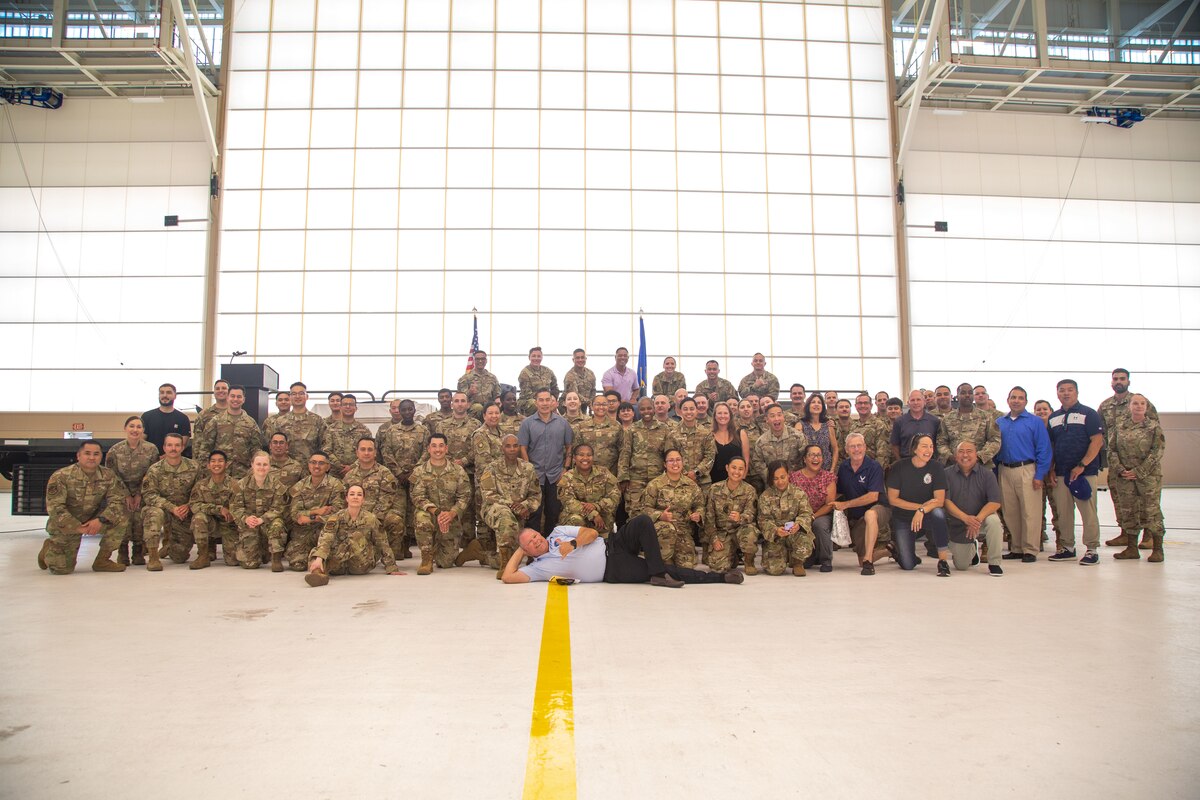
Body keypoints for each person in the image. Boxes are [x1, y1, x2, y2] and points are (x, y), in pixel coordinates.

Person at [501, 515, 743, 586]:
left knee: (643, 521)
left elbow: (592, 533)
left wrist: (572, 544)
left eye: (535, 535)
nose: (536, 541)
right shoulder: (538, 568)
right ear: (527, 551)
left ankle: (657, 574)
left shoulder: (558, 531)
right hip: (613, 569)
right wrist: (519, 552)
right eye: (530, 543)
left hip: (612, 544)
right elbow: (508, 577)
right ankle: (721, 577)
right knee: (669, 569)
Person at [37, 441, 127, 575]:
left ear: (101, 457)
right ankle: (48, 549)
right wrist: (77, 527)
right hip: (66, 524)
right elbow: (55, 508)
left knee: (121, 518)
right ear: (78, 456)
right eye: (87, 453)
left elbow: (117, 501)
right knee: (62, 570)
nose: (92, 457)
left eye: (96, 454)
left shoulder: (108, 475)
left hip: (93, 520)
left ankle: (102, 561)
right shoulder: (61, 476)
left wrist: (101, 520)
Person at [1098, 369, 1160, 551]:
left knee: (1146, 500)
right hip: (1118, 463)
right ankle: (1126, 533)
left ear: (1128, 381)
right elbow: (1102, 433)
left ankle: (1148, 535)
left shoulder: (1139, 401)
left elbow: (1154, 430)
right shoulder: (1105, 406)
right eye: (1115, 379)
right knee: (1120, 499)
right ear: (1111, 382)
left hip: (1142, 464)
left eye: (1122, 379)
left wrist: (1142, 468)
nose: (1119, 381)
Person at [1046, 379, 1105, 565]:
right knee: (1063, 513)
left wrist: (1082, 464)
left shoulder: (1089, 414)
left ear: (1077, 392)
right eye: (1062, 390)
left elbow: (1097, 441)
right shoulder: (1053, 418)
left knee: (1088, 512)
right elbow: (1052, 445)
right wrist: (1051, 469)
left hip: (1084, 473)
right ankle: (1067, 548)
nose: (1066, 393)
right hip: (1061, 473)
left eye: (1070, 390)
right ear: (1057, 394)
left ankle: (1092, 549)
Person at [304, 485, 405, 587]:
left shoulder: (370, 519)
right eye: (352, 494)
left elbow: (382, 543)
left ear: (363, 500)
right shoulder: (336, 517)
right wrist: (319, 558)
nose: (355, 497)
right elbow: (326, 538)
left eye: (359, 495)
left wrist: (391, 567)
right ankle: (318, 574)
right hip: (339, 566)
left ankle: (326, 568)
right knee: (316, 551)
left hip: (361, 564)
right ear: (347, 498)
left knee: (356, 537)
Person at [995, 386, 1052, 563]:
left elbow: (1044, 449)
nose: (1016, 401)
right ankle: (1017, 547)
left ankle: (1030, 549)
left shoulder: (1035, 422)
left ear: (1026, 401)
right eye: (1013, 397)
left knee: (1030, 511)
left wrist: (1039, 475)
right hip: (1004, 470)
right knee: (1010, 512)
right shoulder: (1000, 422)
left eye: (1020, 398)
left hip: (1027, 469)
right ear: (1008, 400)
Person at [474, 434, 542, 578]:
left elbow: (536, 495)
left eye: (515, 446)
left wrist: (524, 506)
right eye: (508, 446)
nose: (512, 449)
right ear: (502, 448)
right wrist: (512, 506)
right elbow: (488, 495)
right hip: (493, 509)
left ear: (519, 448)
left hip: (519, 513)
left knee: (516, 553)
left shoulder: (528, 468)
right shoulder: (492, 468)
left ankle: (481, 555)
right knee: (505, 516)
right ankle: (505, 565)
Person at [1108, 394, 1166, 562]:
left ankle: (1158, 549)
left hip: (1148, 478)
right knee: (1128, 510)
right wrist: (1120, 469)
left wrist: (1139, 471)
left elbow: (1157, 452)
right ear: (1129, 406)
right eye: (1135, 403)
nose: (1139, 406)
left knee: (1151, 511)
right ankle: (1132, 548)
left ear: (1146, 407)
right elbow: (1111, 450)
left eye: (1142, 403)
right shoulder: (1120, 427)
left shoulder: (1153, 427)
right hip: (1124, 477)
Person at [886, 433, 951, 575]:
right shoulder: (899, 467)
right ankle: (900, 551)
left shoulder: (936, 467)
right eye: (924, 446)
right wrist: (920, 507)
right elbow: (893, 499)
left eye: (931, 446)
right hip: (904, 517)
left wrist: (922, 511)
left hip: (927, 514)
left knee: (938, 514)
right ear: (914, 449)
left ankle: (943, 562)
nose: (929, 450)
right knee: (908, 565)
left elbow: (939, 500)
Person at [410, 433, 473, 574]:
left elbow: (465, 496)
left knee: (445, 563)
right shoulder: (419, 471)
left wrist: (451, 513)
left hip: (450, 519)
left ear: (446, 448)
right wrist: (437, 512)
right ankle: (426, 559)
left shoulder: (458, 471)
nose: (437, 450)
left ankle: (457, 551)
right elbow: (417, 497)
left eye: (441, 446)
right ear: (428, 449)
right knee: (421, 516)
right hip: (430, 515)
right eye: (434, 446)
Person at [105, 415, 160, 565]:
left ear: (143, 430)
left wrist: (140, 494)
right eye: (132, 426)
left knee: (139, 520)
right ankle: (122, 552)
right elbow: (112, 475)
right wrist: (127, 495)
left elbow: (152, 474)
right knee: (124, 520)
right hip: (121, 493)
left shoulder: (151, 449)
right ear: (125, 428)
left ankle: (138, 552)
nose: (135, 430)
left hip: (143, 492)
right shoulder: (114, 450)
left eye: (138, 427)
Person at [518, 388, 575, 534]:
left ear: (552, 402)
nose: (544, 403)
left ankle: (550, 544)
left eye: (547, 400)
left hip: (556, 476)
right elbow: (523, 448)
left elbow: (569, 447)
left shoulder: (563, 423)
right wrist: (529, 470)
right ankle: (534, 545)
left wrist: (565, 469)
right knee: (534, 513)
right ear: (536, 402)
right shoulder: (527, 423)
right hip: (535, 476)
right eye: (541, 400)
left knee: (553, 513)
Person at [141, 432, 200, 569]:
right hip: (163, 510)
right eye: (170, 445)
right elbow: (149, 494)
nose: (173, 448)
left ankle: (169, 546)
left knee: (180, 557)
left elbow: (200, 491)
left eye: (177, 445)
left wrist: (189, 505)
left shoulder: (194, 467)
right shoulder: (155, 469)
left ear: (182, 447)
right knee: (154, 514)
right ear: (164, 447)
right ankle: (153, 557)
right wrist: (171, 508)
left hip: (183, 513)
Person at [834, 432, 891, 576]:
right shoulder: (843, 468)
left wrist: (846, 504)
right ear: (846, 450)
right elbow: (839, 492)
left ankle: (868, 562)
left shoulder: (874, 466)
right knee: (859, 560)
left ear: (865, 447)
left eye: (859, 445)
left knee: (870, 514)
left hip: (879, 509)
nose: (856, 449)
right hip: (857, 516)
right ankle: (889, 551)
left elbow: (873, 496)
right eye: (852, 446)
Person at [944, 441, 1004, 576]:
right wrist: (965, 518)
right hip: (958, 522)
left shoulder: (987, 475)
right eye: (961, 452)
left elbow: (995, 502)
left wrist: (977, 520)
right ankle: (972, 548)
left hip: (980, 520)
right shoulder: (946, 474)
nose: (965, 455)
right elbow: (946, 502)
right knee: (961, 566)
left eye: (969, 451)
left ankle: (994, 563)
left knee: (994, 521)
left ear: (976, 455)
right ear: (955, 456)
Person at [379, 398, 430, 556]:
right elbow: (386, 453)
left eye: (410, 409)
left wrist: (413, 472)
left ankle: (411, 544)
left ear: (414, 410)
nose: (407, 412)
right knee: (398, 511)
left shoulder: (423, 431)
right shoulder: (391, 431)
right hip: (397, 480)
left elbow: (426, 452)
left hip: (417, 478)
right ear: (399, 412)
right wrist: (399, 473)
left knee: (415, 511)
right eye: (404, 410)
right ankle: (398, 546)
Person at [343, 437, 406, 562]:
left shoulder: (385, 473)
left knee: (395, 520)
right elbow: (344, 500)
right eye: (363, 449)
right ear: (357, 452)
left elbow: (386, 500)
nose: (366, 453)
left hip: (378, 516)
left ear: (375, 452)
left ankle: (391, 555)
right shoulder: (349, 476)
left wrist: (370, 518)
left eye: (370, 450)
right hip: (355, 516)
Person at [640, 448, 704, 568]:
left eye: (678, 460)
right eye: (671, 460)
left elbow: (699, 505)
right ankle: (660, 560)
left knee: (686, 567)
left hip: (682, 530)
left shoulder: (691, 485)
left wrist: (698, 515)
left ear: (682, 462)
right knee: (665, 565)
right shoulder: (655, 484)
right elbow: (644, 509)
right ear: (665, 464)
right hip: (661, 530)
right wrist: (660, 515)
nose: (675, 463)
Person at [617, 393, 678, 515]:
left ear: (654, 409)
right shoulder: (632, 429)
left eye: (649, 408)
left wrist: (671, 476)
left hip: (658, 477)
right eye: (642, 409)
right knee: (635, 513)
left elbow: (669, 453)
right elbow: (625, 453)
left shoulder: (664, 429)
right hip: (635, 479)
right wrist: (623, 477)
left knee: (657, 512)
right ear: (638, 410)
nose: (646, 411)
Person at [285, 450, 346, 571]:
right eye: (313, 462)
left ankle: (317, 565)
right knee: (297, 565)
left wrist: (311, 518)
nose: (316, 466)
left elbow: (338, 512)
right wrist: (316, 512)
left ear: (328, 467)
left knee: (335, 563)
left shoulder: (336, 485)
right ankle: (313, 560)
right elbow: (295, 514)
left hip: (326, 531)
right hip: (303, 532)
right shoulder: (299, 486)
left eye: (321, 463)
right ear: (308, 465)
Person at [230, 451, 289, 571]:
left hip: (268, 522)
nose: (262, 467)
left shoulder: (277, 485)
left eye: (265, 464)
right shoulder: (241, 485)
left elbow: (279, 507)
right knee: (250, 564)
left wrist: (262, 519)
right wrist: (246, 518)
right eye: (258, 464)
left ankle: (276, 559)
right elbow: (235, 508)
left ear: (270, 466)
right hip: (250, 523)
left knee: (277, 524)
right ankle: (261, 551)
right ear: (252, 465)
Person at [757, 461, 815, 576]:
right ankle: (783, 555)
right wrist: (776, 530)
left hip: (795, 533)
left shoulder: (799, 493)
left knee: (805, 541)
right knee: (775, 570)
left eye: (783, 477)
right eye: (776, 478)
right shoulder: (765, 496)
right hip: (776, 536)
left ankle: (797, 563)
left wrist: (798, 524)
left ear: (788, 475)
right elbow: (763, 520)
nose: (780, 482)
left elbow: (806, 513)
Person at [193, 385, 264, 478]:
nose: (235, 399)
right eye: (232, 396)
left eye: (239, 397)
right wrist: (206, 472)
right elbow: (205, 449)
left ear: (243, 399)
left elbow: (256, 450)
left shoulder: (251, 423)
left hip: (243, 475)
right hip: (220, 474)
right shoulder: (215, 421)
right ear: (227, 398)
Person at [703, 455, 759, 573]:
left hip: (741, 530)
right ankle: (732, 557)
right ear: (727, 468)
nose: (737, 472)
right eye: (734, 468)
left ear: (744, 471)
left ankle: (749, 561)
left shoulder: (749, 490)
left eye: (740, 469)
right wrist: (714, 539)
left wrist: (740, 518)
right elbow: (709, 518)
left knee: (750, 532)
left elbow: (751, 514)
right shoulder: (714, 489)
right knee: (717, 568)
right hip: (722, 533)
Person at [187, 450, 240, 569]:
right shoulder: (201, 485)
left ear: (226, 464)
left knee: (233, 561)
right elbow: (194, 505)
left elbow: (240, 506)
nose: (216, 464)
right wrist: (218, 509)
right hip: (210, 524)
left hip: (228, 525)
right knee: (198, 518)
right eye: (213, 461)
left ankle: (214, 546)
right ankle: (203, 555)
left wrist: (233, 513)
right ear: (208, 465)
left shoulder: (235, 485)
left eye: (220, 461)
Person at [790, 444, 837, 572]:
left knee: (819, 525)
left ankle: (826, 560)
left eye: (819, 455)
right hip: (799, 516)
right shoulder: (793, 477)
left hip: (821, 515)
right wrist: (802, 519)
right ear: (804, 459)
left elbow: (829, 504)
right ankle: (807, 555)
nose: (816, 458)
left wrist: (812, 516)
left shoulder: (828, 478)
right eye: (812, 455)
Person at [557, 443, 620, 537]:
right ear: (574, 458)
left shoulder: (604, 473)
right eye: (581, 455)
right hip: (577, 517)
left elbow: (615, 496)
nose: (585, 458)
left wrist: (596, 506)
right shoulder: (567, 477)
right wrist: (592, 513)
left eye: (589, 455)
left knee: (605, 542)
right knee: (576, 519)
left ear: (593, 457)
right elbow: (568, 502)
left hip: (601, 517)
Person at [470, 404, 505, 563]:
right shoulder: (480, 434)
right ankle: (483, 553)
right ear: (484, 416)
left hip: (501, 484)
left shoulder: (502, 433)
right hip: (486, 484)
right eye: (490, 413)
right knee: (484, 519)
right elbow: (484, 463)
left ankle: (494, 553)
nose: (494, 416)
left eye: (496, 413)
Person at [936, 383, 1001, 468]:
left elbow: (995, 440)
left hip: (981, 467)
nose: (967, 395)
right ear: (957, 396)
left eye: (970, 393)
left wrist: (979, 457)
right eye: (963, 393)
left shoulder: (986, 417)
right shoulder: (947, 418)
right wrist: (950, 456)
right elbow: (941, 442)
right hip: (954, 467)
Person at [1033, 399, 1061, 552]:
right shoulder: (1033, 429)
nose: (1041, 412)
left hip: (1054, 473)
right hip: (1037, 473)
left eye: (1045, 409)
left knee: (1057, 507)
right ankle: (1038, 538)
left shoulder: (1056, 429)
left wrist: (1052, 469)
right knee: (1037, 507)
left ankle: (1061, 540)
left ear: (1051, 411)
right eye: (1038, 409)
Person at [276, 382, 327, 463]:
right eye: (294, 394)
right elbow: (274, 447)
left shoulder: (317, 420)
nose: (297, 396)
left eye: (301, 393)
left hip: (312, 467)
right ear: (290, 397)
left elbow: (325, 445)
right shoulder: (280, 421)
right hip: (287, 467)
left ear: (307, 396)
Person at [321, 393, 370, 477]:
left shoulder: (364, 430)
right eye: (345, 404)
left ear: (356, 408)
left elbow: (368, 452)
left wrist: (352, 467)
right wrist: (339, 465)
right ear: (340, 407)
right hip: (335, 474)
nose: (348, 407)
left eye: (351, 404)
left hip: (358, 473)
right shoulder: (331, 429)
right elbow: (326, 450)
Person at [753, 404, 803, 485]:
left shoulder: (798, 436)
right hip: (772, 485)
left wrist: (794, 477)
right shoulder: (761, 441)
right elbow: (758, 463)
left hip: (795, 483)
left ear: (783, 417)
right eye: (772, 416)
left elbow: (804, 458)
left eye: (779, 415)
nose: (776, 419)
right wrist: (772, 478)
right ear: (767, 420)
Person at [673, 397, 716, 492]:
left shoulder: (706, 432)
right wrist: (685, 474)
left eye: (692, 409)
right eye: (685, 409)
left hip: (703, 482)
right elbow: (671, 457)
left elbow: (710, 456)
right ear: (680, 411)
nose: (689, 412)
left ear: (696, 411)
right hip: (679, 481)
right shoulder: (673, 434)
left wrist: (696, 472)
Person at [890, 389, 940, 464]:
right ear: (908, 403)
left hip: (929, 462)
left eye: (918, 400)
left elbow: (938, 444)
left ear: (924, 402)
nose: (916, 403)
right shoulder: (899, 422)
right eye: (912, 400)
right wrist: (900, 462)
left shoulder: (934, 421)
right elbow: (894, 445)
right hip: (906, 462)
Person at [575, 393, 621, 474]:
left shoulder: (616, 426)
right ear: (592, 406)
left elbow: (623, 451)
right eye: (597, 404)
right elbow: (576, 451)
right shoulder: (581, 426)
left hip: (611, 473)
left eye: (604, 404)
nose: (601, 407)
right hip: (587, 473)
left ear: (608, 406)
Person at [142, 382, 191, 454]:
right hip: (149, 458)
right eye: (162, 393)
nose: (165, 395)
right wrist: (154, 457)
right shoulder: (146, 416)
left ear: (175, 396)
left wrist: (164, 458)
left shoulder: (183, 418)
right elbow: (141, 442)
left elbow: (182, 444)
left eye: (168, 393)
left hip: (173, 458)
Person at [710, 401, 750, 485]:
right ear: (715, 416)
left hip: (737, 480)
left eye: (725, 413)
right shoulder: (709, 435)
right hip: (715, 482)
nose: (722, 416)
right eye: (719, 413)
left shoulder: (741, 433)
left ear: (730, 415)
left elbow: (746, 460)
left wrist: (743, 477)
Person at [848, 392, 891, 470]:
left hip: (872, 470)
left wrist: (877, 471)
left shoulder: (879, 424)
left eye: (866, 403)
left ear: (871, 405)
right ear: (856, 406)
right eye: (860, 403)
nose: (863, 405)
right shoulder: (853, 426)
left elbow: (882, 453)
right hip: (856, 469)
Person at [797, 393, 837, 472]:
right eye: (813, 402)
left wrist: (832, 470)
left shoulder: (828, 425)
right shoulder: (800, 425)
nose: (816, 404)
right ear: (808, 406)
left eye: (819, 402)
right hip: (806, 472)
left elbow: (835, 449)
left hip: (826, 470)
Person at [458, 349, 501, 418]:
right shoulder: (465, 378)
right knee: (478, 407)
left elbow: (497, 395)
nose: (480, 361)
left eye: (482, 359)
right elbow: (460, 397)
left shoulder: (492, 377)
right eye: (477, 359)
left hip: (489, 407)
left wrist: (498, 399)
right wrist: (469, 392)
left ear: (486, 361)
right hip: (472, 407)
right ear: (474, 361)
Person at [518, 346, 559, 415]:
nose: (536, 358)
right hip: (528, 401)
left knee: (556, 403)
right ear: (529, 357)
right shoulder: (524, 373)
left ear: (542, 357)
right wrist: (544, 399)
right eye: (534, 356)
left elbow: (555, 387)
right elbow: (527, 394)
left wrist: (553, 398)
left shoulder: (548, 371)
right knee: (535, 403)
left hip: (546, 398)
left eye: (539, 356)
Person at [191, 379, 230, 446]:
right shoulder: (203, 414)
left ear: (229, 392)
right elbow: (197, 441)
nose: (220, 390)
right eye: (217, 388)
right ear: (214, 392)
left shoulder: (237, 413)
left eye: (224, 388)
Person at [832, 398, 853, 470]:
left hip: (853, 466)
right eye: (841, 407)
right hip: (835, 466)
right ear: (836, 410)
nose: (844, 409)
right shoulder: (831, 426)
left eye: (847, 407)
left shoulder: (857, 427)